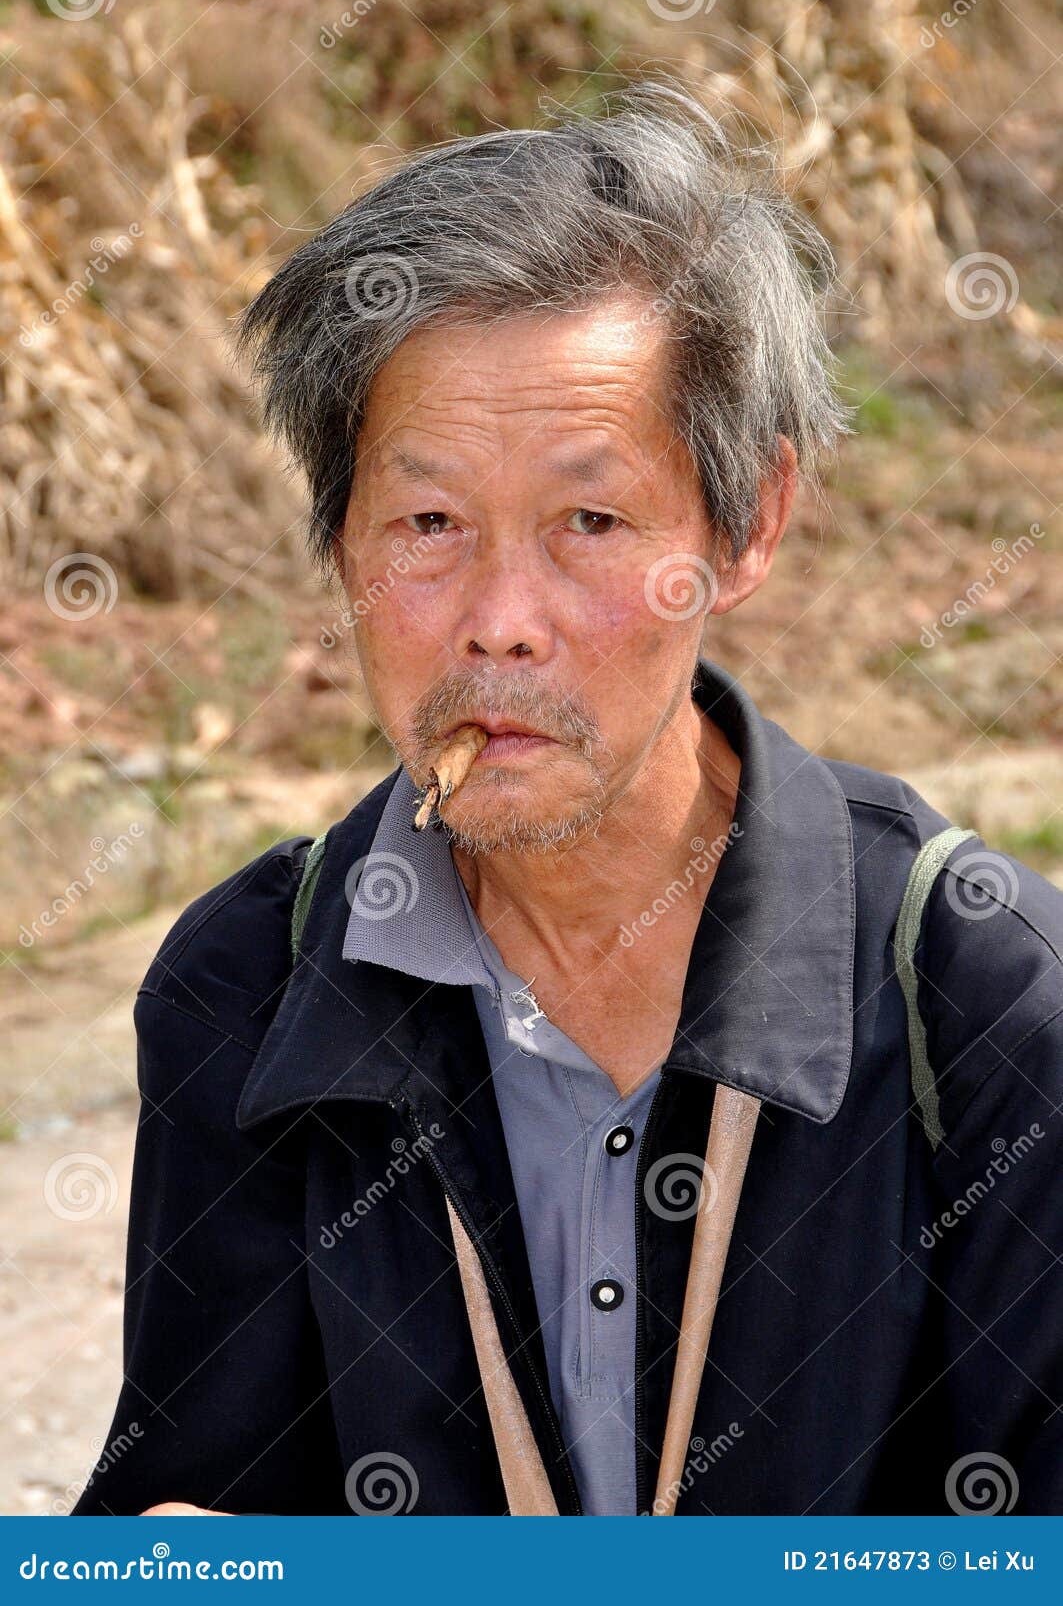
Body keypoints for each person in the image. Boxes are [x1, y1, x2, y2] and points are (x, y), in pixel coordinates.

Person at [74, 77, 1063, 1517]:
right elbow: (207, 1523)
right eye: (426, 524)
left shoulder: (975, 994)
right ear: (339, 539)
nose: (499, 622)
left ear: (747, 524)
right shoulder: (248, 991)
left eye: (590, 522)